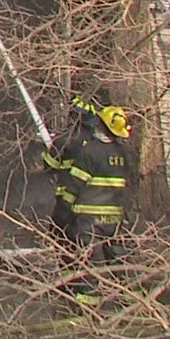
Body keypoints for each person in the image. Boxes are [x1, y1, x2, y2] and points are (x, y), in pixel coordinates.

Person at [62, 102, 134, 311]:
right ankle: (126, 295)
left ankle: (88, 299)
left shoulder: (90, 151)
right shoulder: (124, 153)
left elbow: (75, 183)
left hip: (89, 215)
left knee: (88, 257)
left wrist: (65, 208)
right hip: (115, 215)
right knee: (118, 256)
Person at [41, 91, 102, 243]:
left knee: (61, 240)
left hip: (67, 203)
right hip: (96, 203)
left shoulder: (65, 139)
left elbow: (49, 166)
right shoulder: (100, 143)